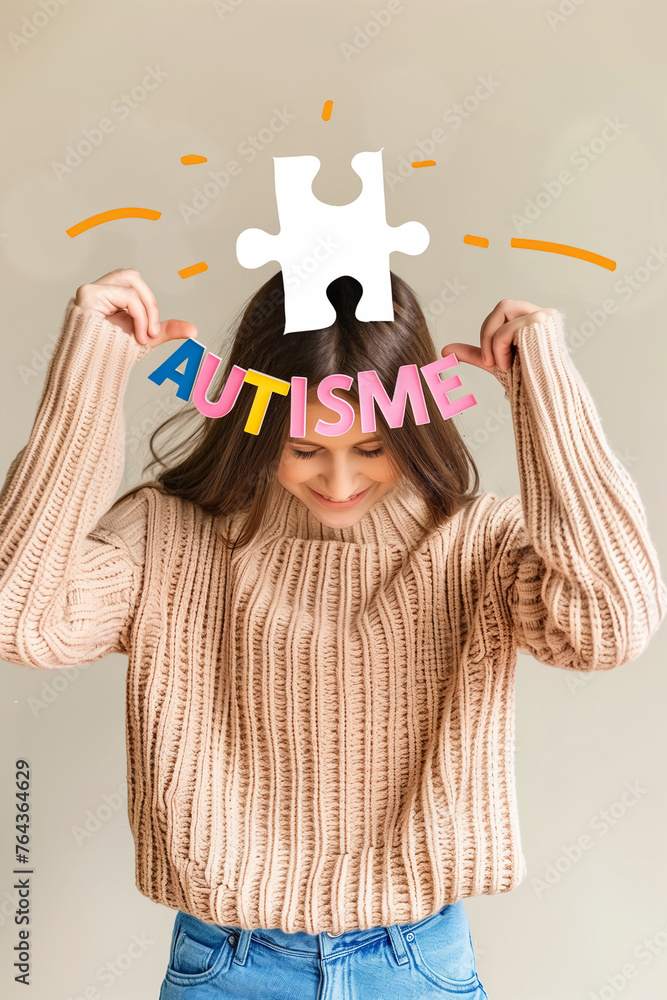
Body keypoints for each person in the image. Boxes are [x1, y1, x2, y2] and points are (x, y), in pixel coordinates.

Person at [0, 267, 664, 1000]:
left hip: (416, 964)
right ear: (252, 422)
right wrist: (89, 373)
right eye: (306, 449)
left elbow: (610, 625)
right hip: (229, 964)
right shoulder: (167, 536)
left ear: (413, 431)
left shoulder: (478, 543)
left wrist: (548, 396)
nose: (339, 483)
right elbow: (19, 617)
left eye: (372, 449)